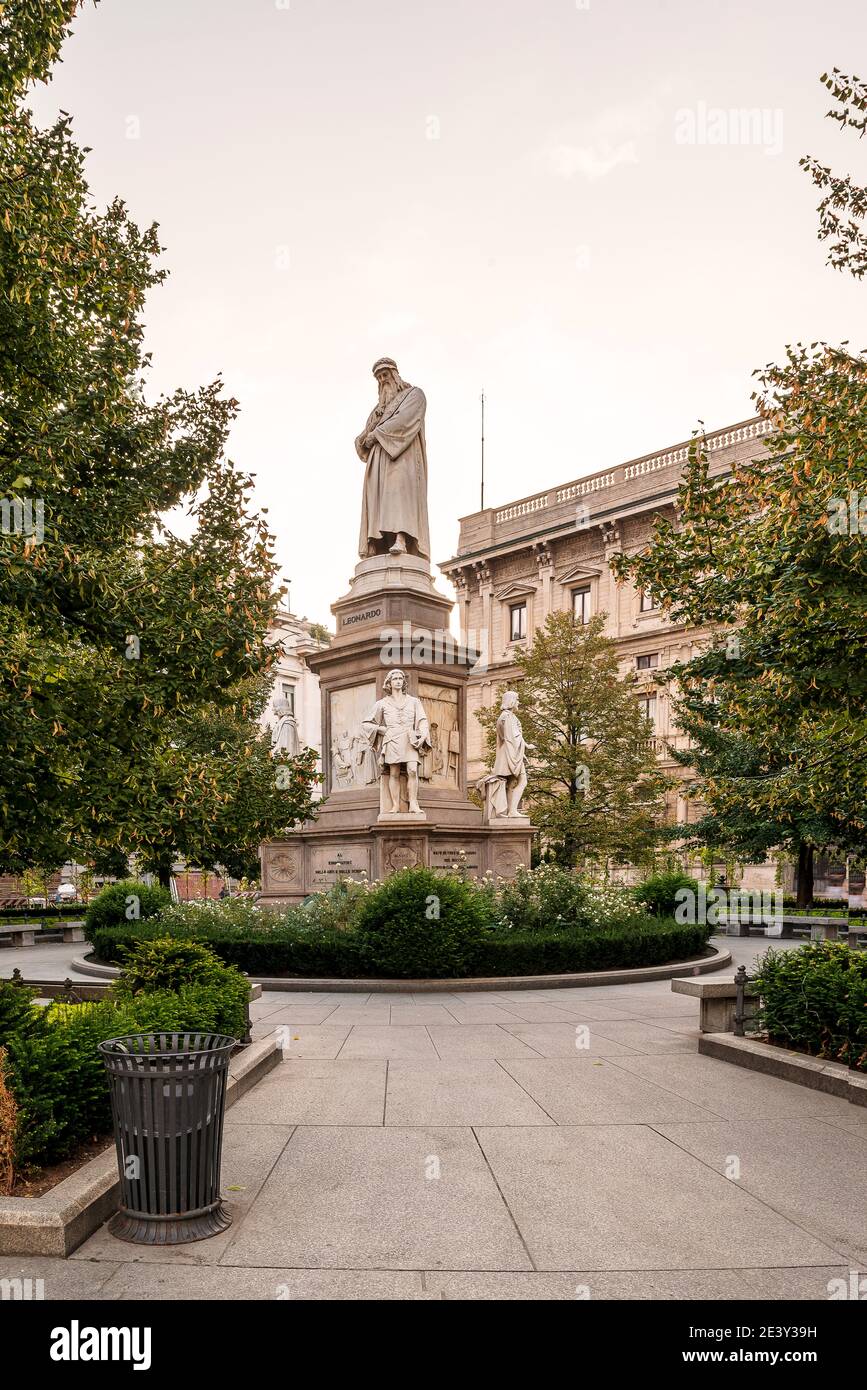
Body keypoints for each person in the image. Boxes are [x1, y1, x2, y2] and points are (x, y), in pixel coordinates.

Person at [362, 669, 431, 814]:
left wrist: (424, 734)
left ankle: (413, 804)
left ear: (404, 682)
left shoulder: (414, 702)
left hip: (409, 738)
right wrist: (382, 729)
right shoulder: (382, 704)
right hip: (392, 739)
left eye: (400, 678)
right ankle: (395, 805)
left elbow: (422, 720)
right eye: (395, 679)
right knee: (394, 773)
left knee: (412, 770)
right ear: (389, 683)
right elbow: (366, 724)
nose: (398, 681)